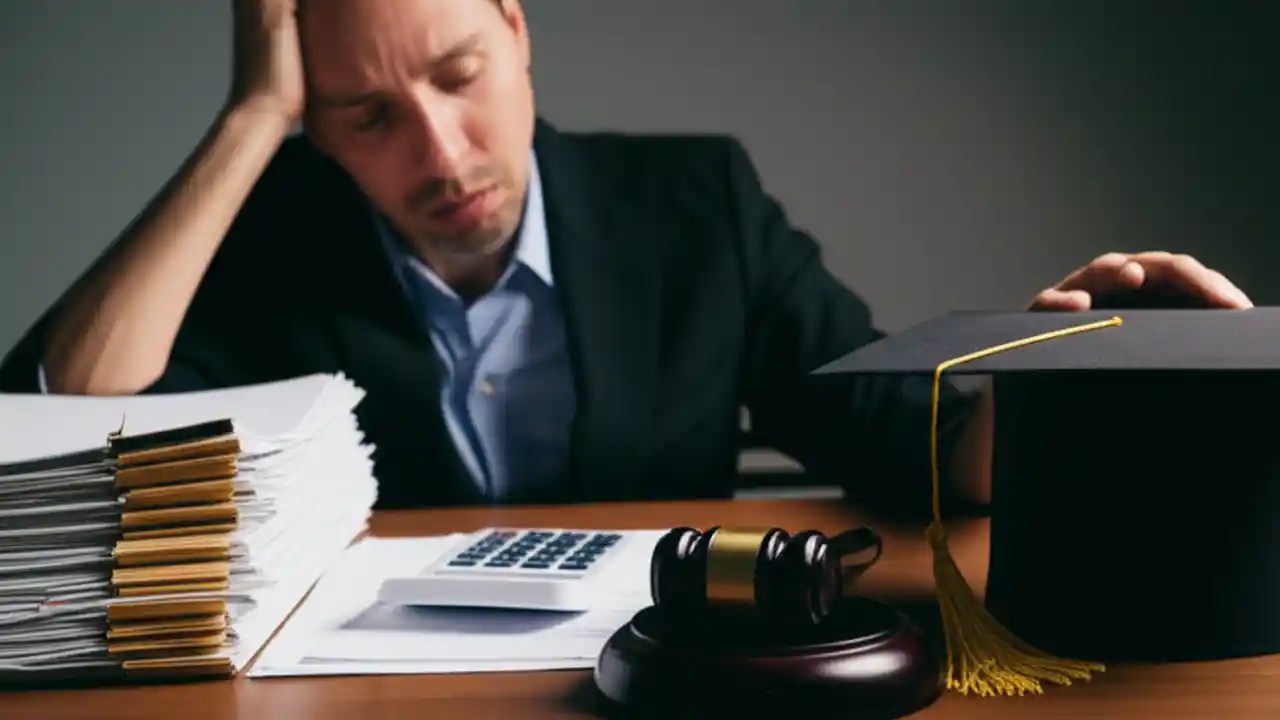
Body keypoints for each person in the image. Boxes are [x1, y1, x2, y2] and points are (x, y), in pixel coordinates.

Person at [0, 0, 1252, 514]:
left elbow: (900, 440)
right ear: (313, 127)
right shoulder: (267, 231)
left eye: (458, 76)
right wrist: (247, 125)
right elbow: (58, 419)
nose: (439, 152)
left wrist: (1072, 376)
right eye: (366, 117)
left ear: (515, 27)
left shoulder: (693, 200)